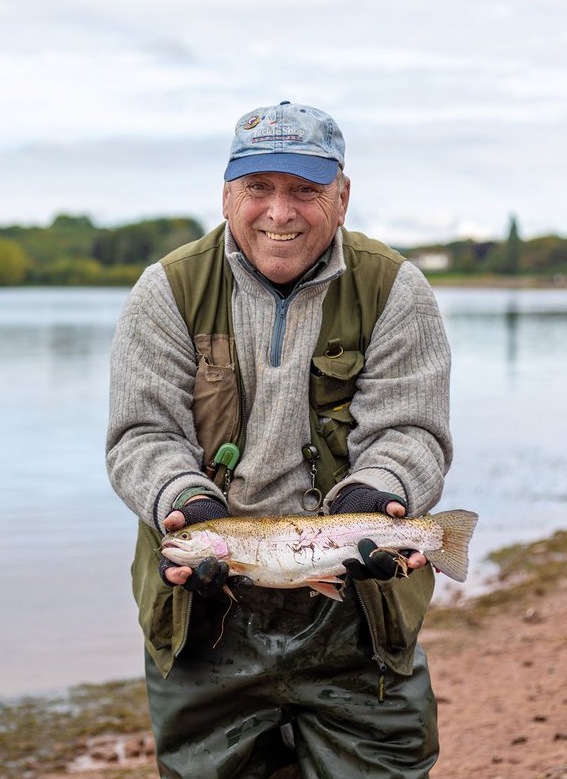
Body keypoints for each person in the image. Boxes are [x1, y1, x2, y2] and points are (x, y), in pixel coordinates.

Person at [106, 100, 453, 778]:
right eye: (259, 187)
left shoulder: (396, 291)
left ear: (343, 197)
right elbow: (142, 437)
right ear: (227, 193)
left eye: (305, 190)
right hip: (204, 614)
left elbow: (410, 431)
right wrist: (191, 509)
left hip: (358, 613)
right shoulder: (166, 291)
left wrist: (380, 496)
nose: (280, 211)